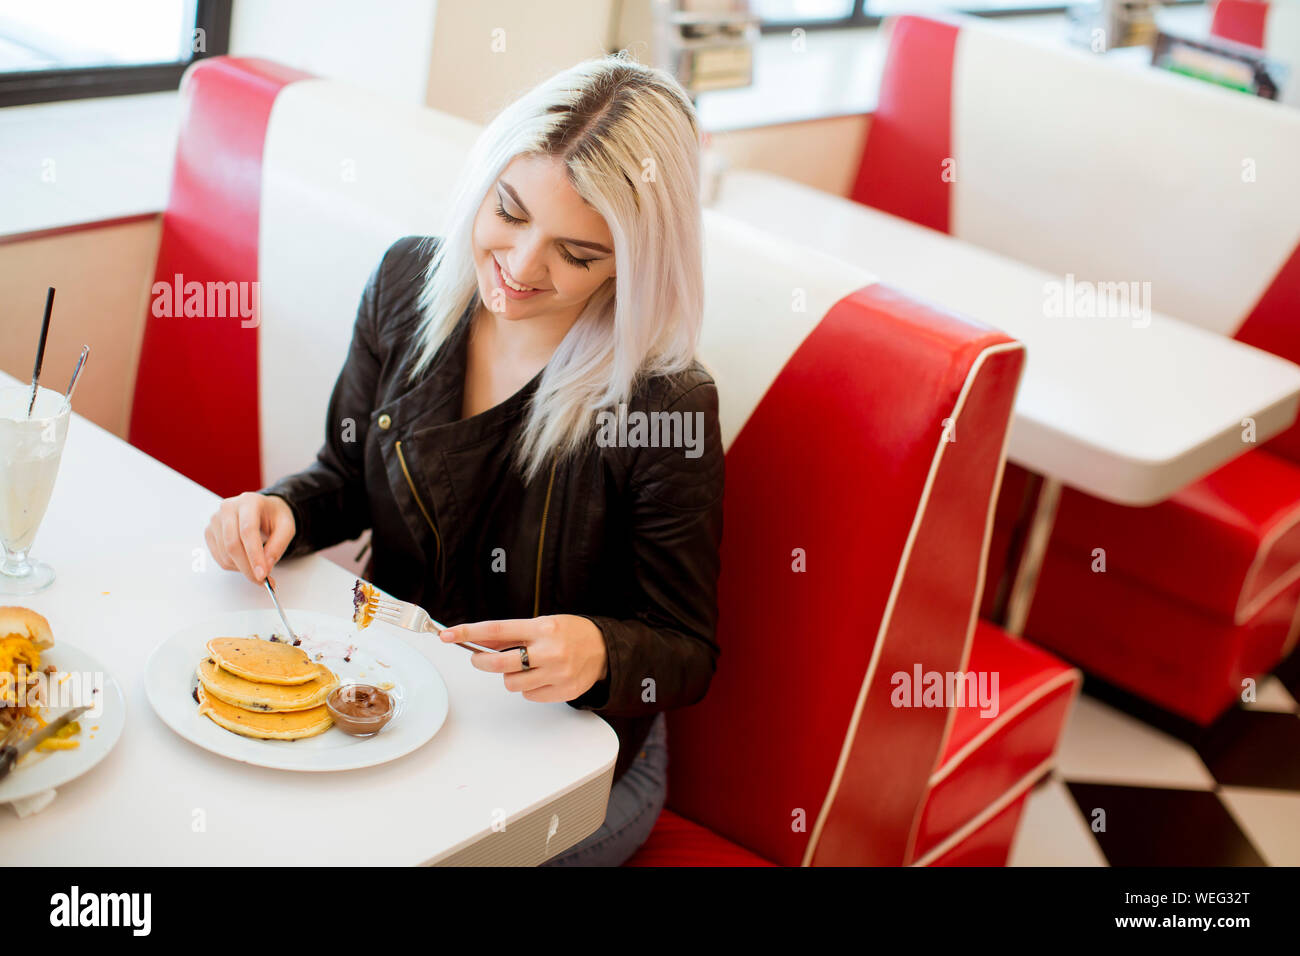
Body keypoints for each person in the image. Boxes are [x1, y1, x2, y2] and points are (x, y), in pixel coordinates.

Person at [202, 52, 724, 866]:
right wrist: (285, 510)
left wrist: (599, 651)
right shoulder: (407, 284)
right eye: (508, 213)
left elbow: (685, 650)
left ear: (634, 260)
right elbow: (344, 477)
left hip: (571, 763)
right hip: (392, 691)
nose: (520, 268)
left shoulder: (664, 402)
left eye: (578, 255)